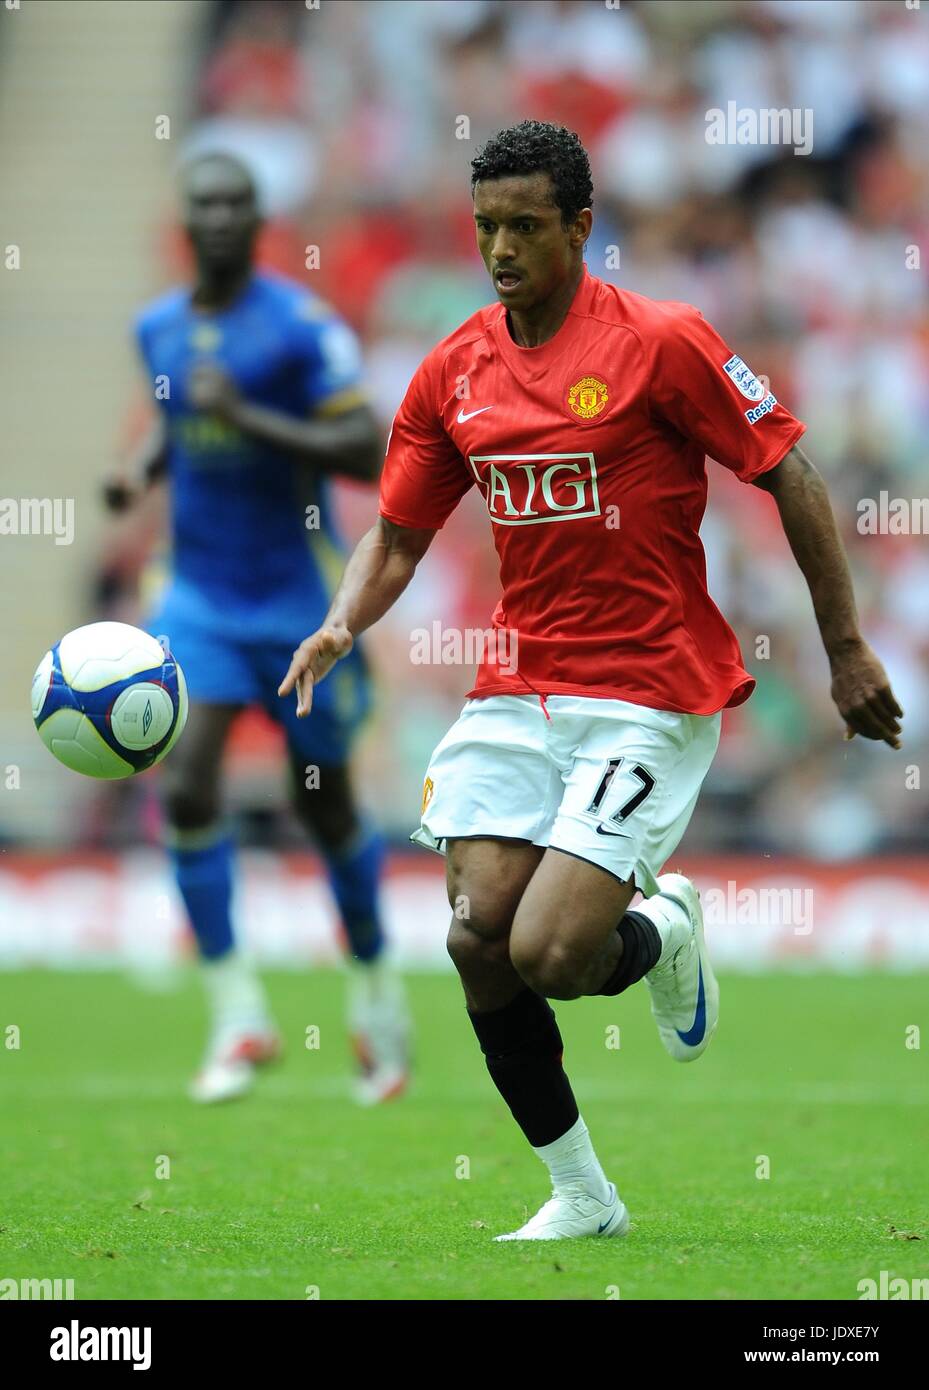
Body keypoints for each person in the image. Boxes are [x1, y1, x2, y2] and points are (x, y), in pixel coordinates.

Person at [279, 121, 903, 1239]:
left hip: (648, 689)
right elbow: (402, 536)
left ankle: (659, 932)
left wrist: (844, 645)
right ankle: (582, 1195)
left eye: (524, 225)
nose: (501, 248)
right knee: (476, 936)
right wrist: (337, 624)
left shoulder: (662, 343)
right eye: (485, 228)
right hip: (516, 690)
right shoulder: (453, 368)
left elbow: (791, 474)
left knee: (553, 956)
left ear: (579, 226)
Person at [105, 151, 410, 1106]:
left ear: (259, 219)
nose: (225, 218)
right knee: (186, 784)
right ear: (186, 221)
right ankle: (238, 1018)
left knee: (322, 806)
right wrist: (143, 471)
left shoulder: (298, 329)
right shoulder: (156, 327)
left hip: (295, 600)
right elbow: (174, 420)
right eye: (208, 204)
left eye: (240, 204)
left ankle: (374, 999)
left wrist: (246, 418)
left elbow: (367, 447)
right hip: (197, 597)